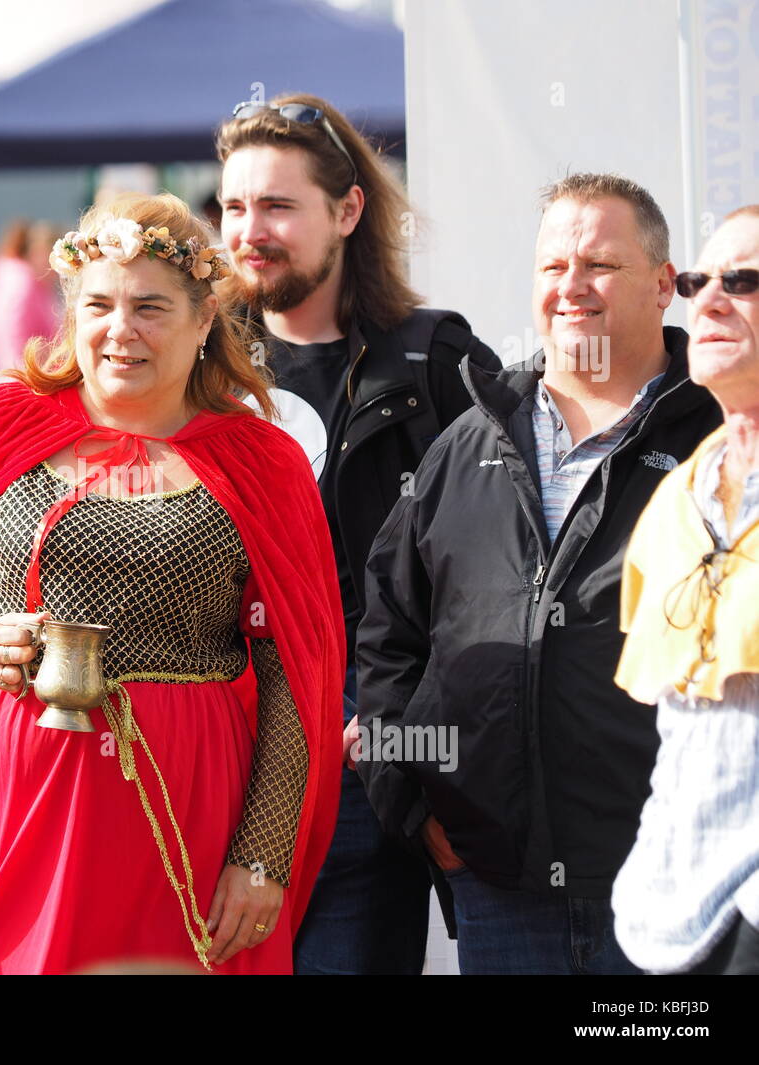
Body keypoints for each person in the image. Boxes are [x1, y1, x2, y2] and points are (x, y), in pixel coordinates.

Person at [0, 192, 345, 975]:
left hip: (189, 805)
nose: (121, 330)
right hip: (7, 805)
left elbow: (297, 666)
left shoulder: (264, 462)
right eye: (99, 305)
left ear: (203, 319)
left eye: (150, 307)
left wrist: (262, 854)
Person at [356, 173, 723, 975]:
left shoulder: (723, 437)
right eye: (553, 266)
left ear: (664, 284)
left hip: (680, 885)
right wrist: (413, 804)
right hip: (500, 888)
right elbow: (388, 635)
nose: (571, 286)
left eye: (600, 264)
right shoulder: (467, 443)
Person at [215, 92, 500, 974]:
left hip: (360, 765)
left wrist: (431, 763)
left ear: (347, 211)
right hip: (214, 745)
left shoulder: (435, 361)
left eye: (277, 205)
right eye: (232, 206)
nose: (248, 230)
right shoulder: (186, 360)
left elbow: (502, 577)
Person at [612, 205, 759, 975]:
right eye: (700, 280)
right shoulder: (681, 491)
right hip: (665, 913)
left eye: (745, 281)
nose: (707, 299)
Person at [0, 219, 61, 372]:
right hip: (27, 379)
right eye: (50, 257)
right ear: (34, 253)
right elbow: (16, 342)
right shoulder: (21, 286)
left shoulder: (23, 284)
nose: (56, 269)